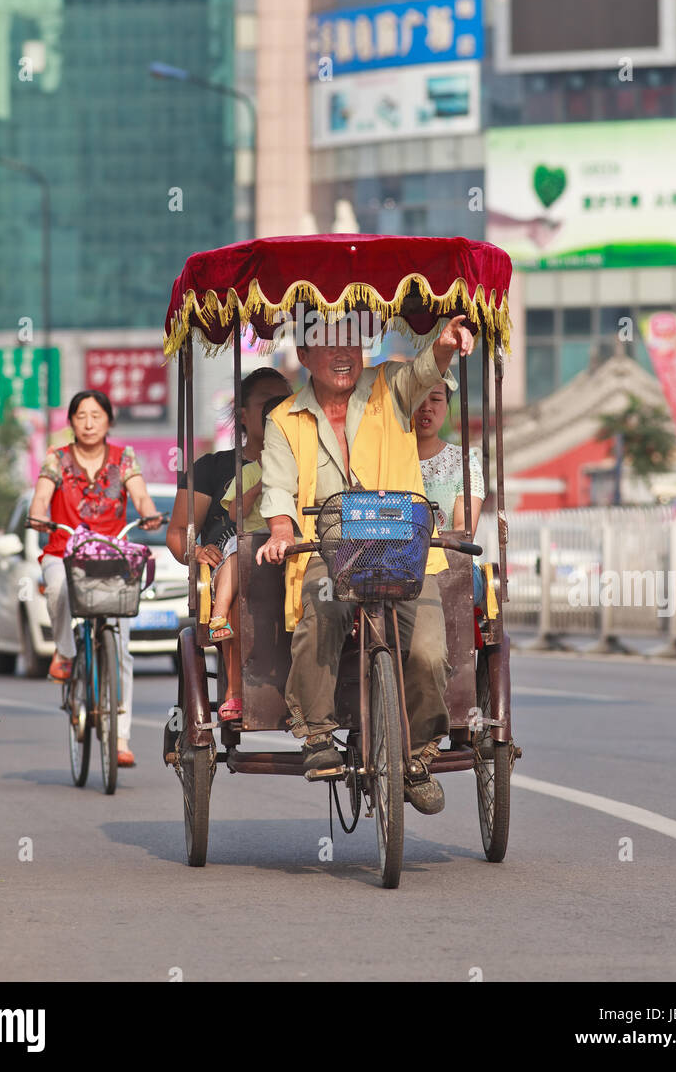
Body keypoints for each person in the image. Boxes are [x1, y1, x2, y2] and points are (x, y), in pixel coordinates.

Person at [256, 310, 475, 816]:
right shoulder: (283, 419)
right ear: (304, 356)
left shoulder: (389, 386)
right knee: (321, 614)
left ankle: (419, 755)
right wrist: (282, 531)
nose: (342, 355)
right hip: (330, 553)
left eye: (351, 344)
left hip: (404, 548)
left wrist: (443, 344)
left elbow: (427, 369)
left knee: (424, 650)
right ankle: (315, 733)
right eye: (327, 345)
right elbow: (277, 491)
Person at [27, 390, 161, 768]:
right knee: (55, 586)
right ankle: (66, 652)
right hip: (64, 552)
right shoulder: (57, 458)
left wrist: (149, 514)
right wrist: (38, 515)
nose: (88, 422)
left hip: (110, 558)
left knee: (122, 649)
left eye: (96, 415)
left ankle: (120, 737)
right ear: (71, 422)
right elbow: (41, 498)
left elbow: (141, 496)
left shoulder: (124, 457)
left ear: (108, 421)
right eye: (81, 416)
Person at [165, 368, 292, 714]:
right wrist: (194, 551)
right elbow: (177, 532)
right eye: (269, 404)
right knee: (243, 578)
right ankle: (236, 689)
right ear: (242, 415)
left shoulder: (309, 461)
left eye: (286, 403)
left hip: (295, 558)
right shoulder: (213, 468)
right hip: (237, 567)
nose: (278, 411)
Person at [208, 392, 289, 721]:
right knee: (235, 554)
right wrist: (264, 481)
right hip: (250, 543)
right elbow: (233, 512)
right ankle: (219, 613)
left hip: (291, 545)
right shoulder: (251, 471)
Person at [415, 377, 486, 608]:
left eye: (435, 399)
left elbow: (463, 532)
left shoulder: (464, 463)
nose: (426, 407)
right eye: (418, 399)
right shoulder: (386, 460)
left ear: (447, 406)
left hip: (453, 567)